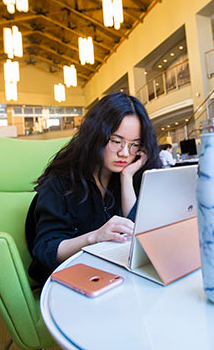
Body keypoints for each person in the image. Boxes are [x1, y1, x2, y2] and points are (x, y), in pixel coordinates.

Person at [25, 93, 160, 284]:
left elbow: (135, 231)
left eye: (134, 145)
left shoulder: (124, 175)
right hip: (70, 280)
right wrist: (95, 236)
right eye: (116, 141)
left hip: (116, 274)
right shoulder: (60, 182)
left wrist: (127, 178)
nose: (124, 153)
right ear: (96, 136)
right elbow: (46, 250)